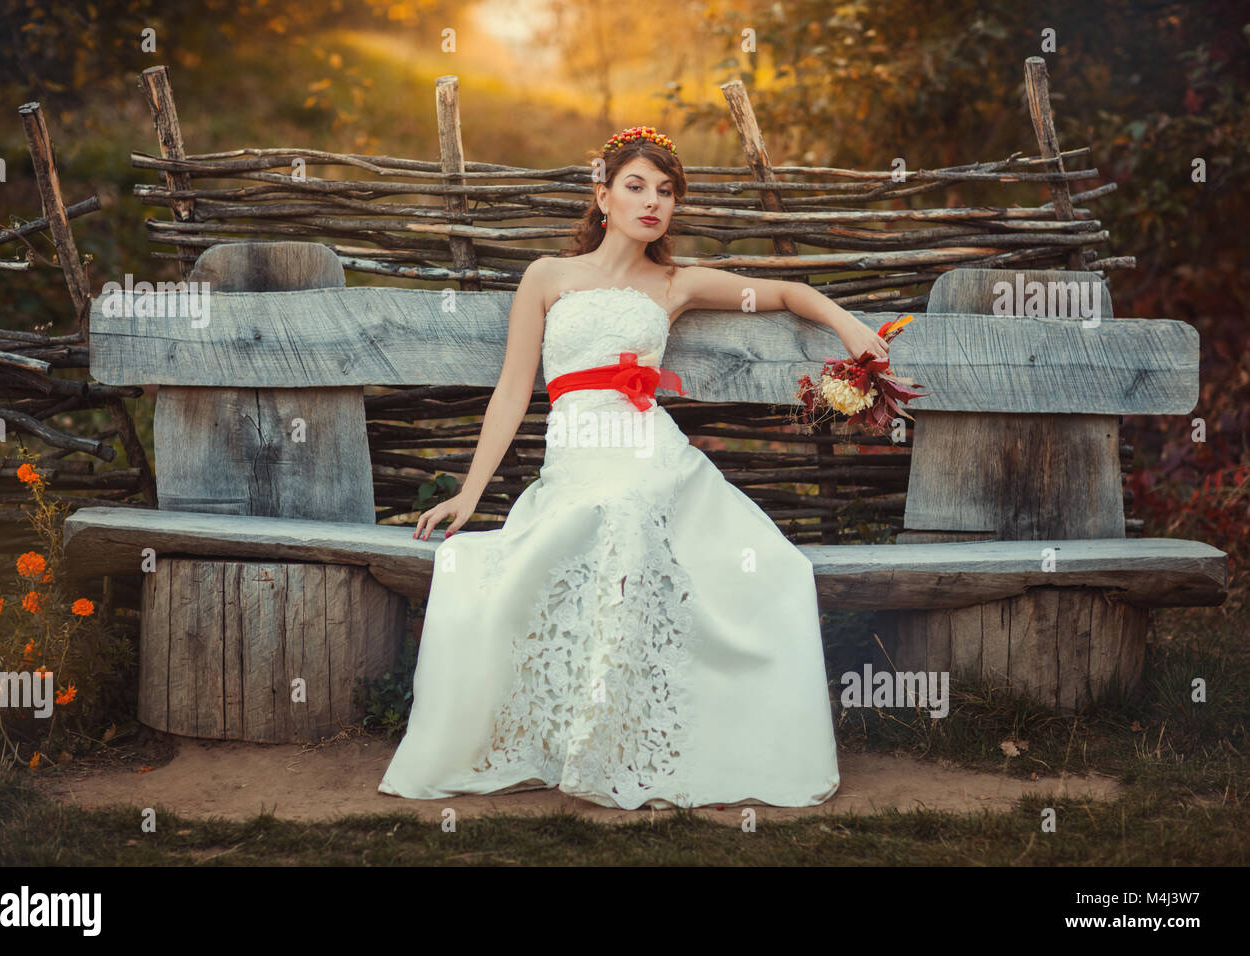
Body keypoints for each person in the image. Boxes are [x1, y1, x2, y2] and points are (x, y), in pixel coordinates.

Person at [378, 126, 889, 810]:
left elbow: (787, 291)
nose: (653, 202)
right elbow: (512, 389)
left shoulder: (675, 283)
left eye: (667, 191)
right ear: (603, 195)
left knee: (769, 566)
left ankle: (651, 739)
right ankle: (578, 731)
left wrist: (849, 327)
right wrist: (470, 492)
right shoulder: (548, 278)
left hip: (650, 451)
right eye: (636, 186)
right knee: (567, 527)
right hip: (577, 453)